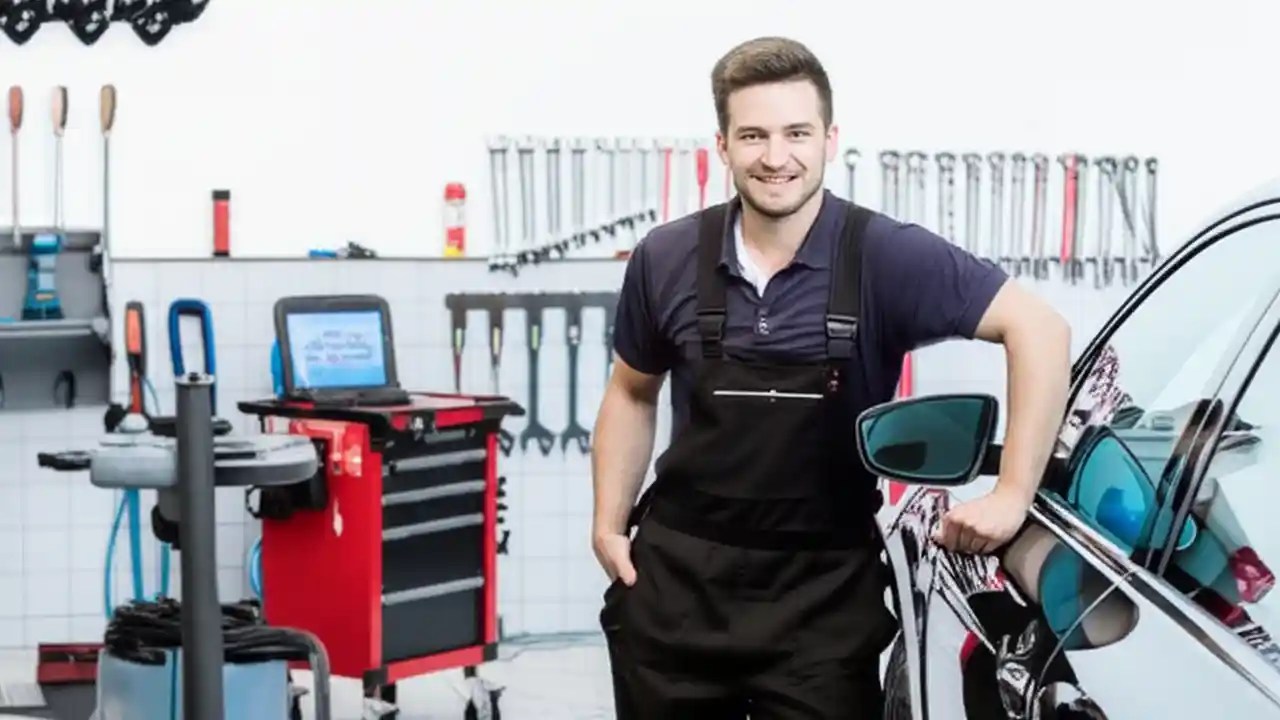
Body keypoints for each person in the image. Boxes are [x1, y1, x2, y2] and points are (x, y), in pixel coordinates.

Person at [590, 35, 1072, 719]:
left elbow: (1041, 331)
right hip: (676, 591)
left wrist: (1014, 492)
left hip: (821, 602)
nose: (776, 156)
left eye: (796, 133)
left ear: (829, 139)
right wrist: (608, 525)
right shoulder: (664, 257)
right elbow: (631, 391)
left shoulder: (886, 256)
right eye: (753, 135)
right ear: (722, 146)